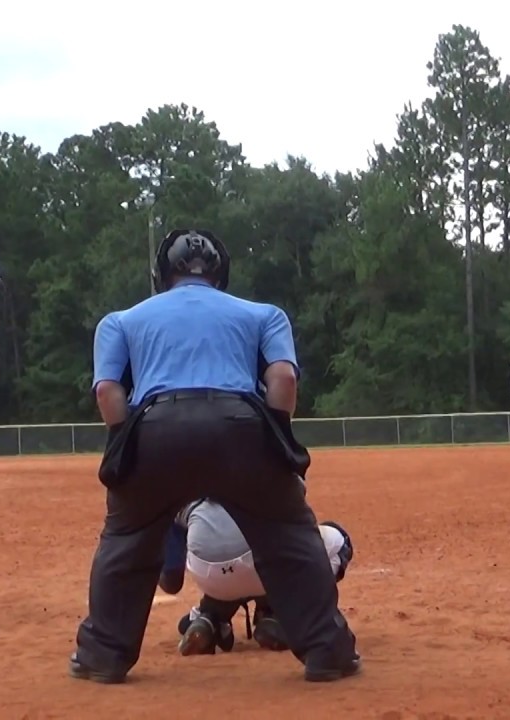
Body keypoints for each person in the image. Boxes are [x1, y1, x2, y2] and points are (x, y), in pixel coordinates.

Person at [69, 229, 360, 685]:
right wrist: (276, 440)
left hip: (154, 426)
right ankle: (327, 651)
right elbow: (282, 379)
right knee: (287, 534)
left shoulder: (119, 321)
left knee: (126, 538)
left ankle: (103, 654)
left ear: (162, 272)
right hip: (240, 426)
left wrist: (128, 447)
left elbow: (109, 392)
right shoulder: (264, 314)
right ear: (221, 273)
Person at [157, 498, 354, 656]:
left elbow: (172, 581)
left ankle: (210, 617)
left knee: (223, 569)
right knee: (338, 540)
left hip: (211, 579)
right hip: (265, 566)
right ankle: (279, 615)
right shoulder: (262, 463)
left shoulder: (182, 484)